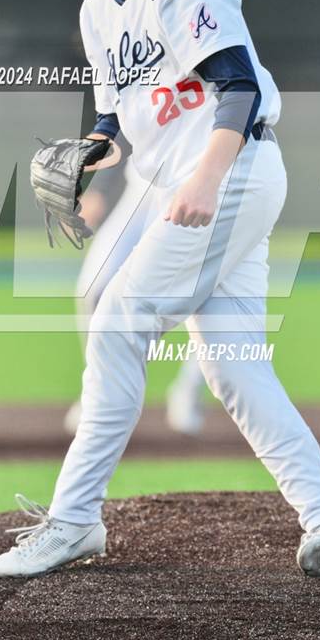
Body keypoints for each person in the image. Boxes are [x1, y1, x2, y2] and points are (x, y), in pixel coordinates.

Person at [0, 0, 320, 579]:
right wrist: (87, 160)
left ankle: (73, 520)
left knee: (117, 321)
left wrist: (205, 177)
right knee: (234, 367)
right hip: (199, 184)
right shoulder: (97, 9)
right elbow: (116, 121)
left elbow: (238, 89)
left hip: (227, 175)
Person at [64, 153, 207, 437]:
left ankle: (189, 390)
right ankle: (100, 391)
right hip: (143, 191)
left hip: (199, 191)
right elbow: (124, 123)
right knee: (93, 289)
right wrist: (100, 190)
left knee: (206, 299)